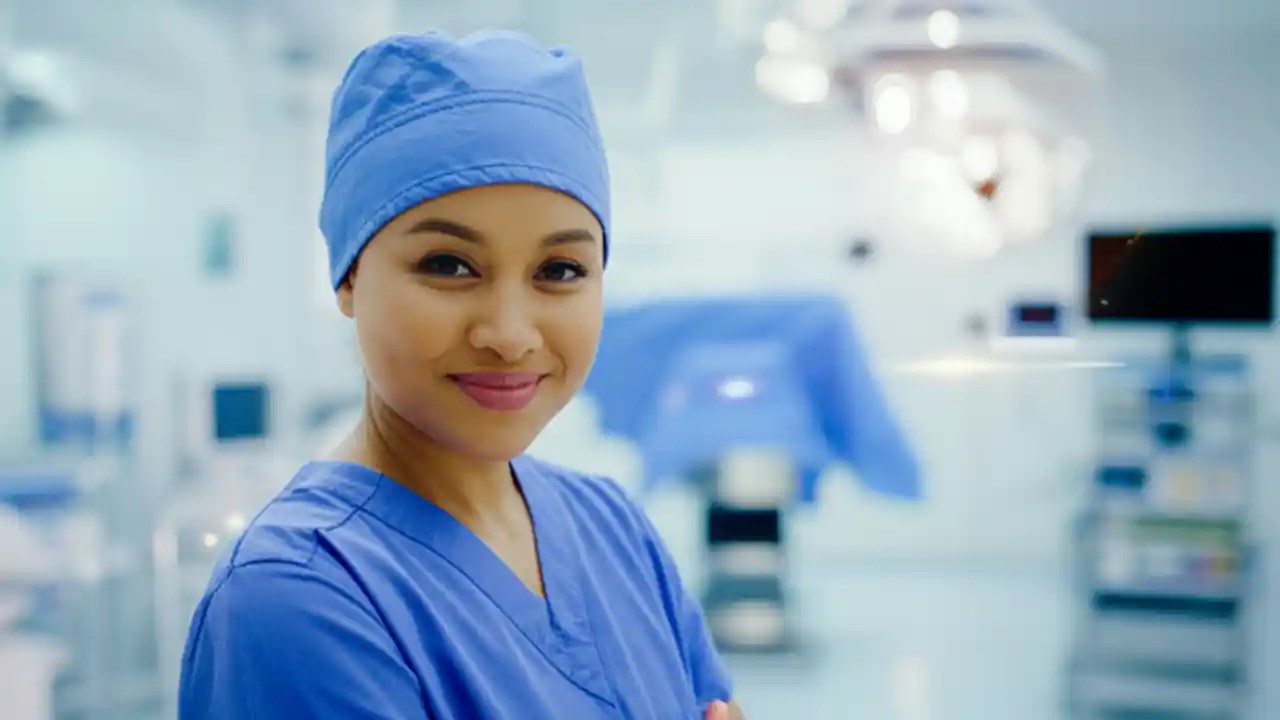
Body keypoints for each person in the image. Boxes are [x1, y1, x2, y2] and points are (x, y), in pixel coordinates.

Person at [177, 29, 745, 720]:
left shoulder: (614, 530)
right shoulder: (299, 596)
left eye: (559, 271)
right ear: (350, 274)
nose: (509, 335)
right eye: (448, 265)